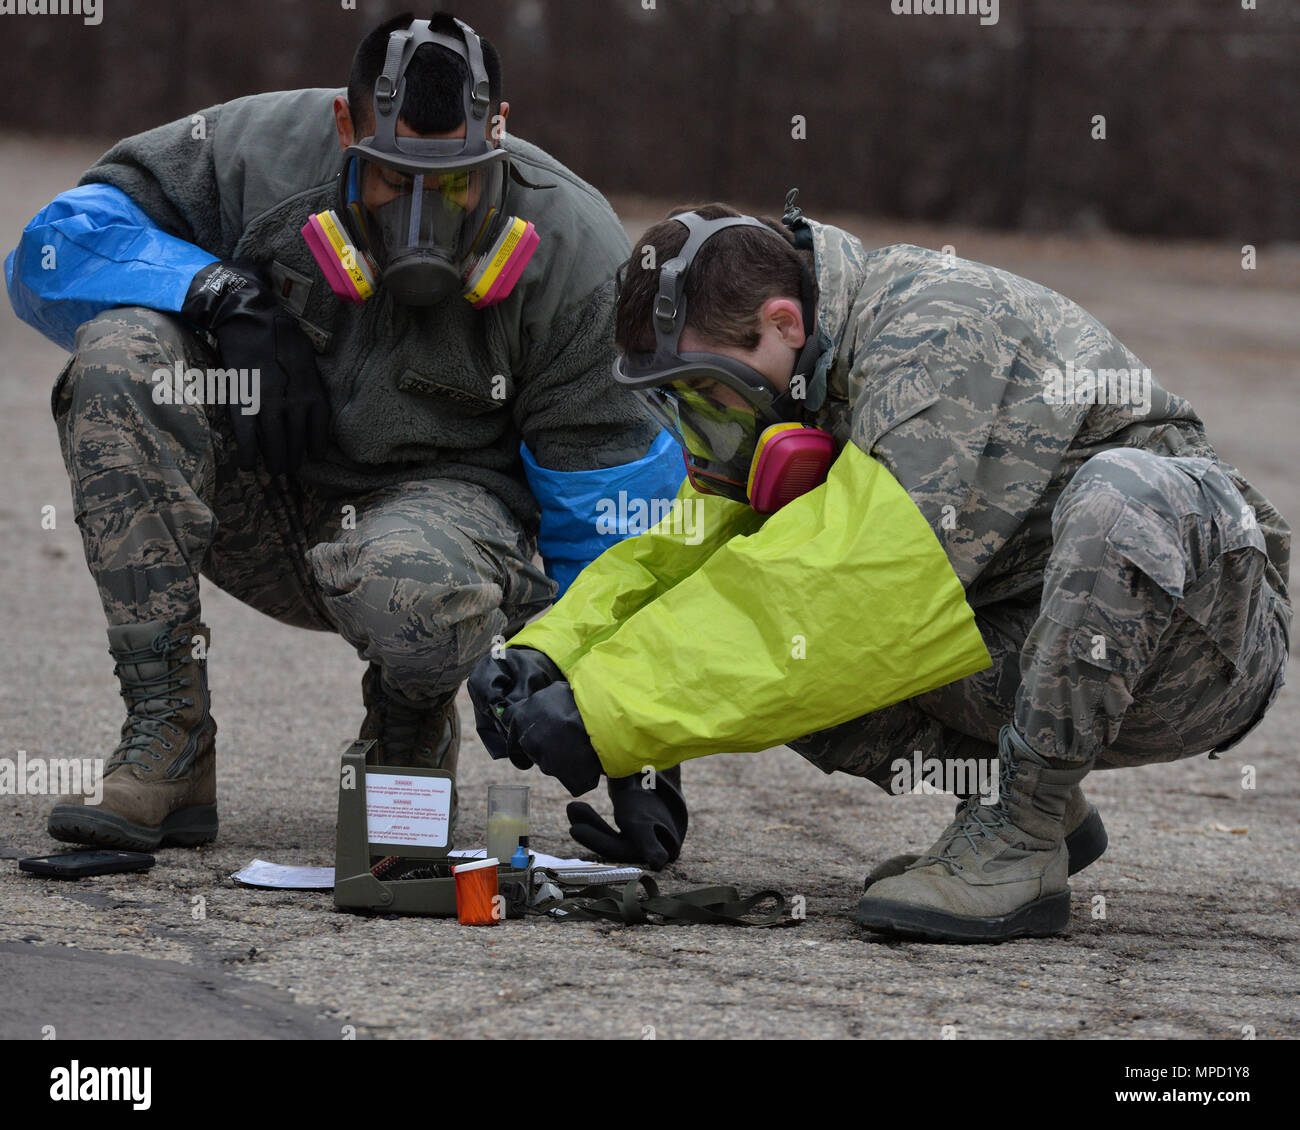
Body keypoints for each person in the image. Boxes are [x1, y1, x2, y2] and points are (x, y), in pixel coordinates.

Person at [468, 197, 1291, 942]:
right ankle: (1034, 804)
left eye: (706, 390)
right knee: (794, 671)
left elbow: (858, 587)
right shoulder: (791, 375)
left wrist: (606, 712)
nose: (701, 422)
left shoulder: (934, 328)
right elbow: (703, 545)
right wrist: (554, 656)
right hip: (1039, 629)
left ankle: (1023, 833)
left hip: (1200, 638)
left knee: (1119, 499)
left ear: (784, 322)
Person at [4, 11, 682, 852]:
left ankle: (408, 730)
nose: (423, 218)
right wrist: (214, 289)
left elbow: (610, 519)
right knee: (119, 359)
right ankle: (166, 738)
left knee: (417, 589)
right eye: (393, 180)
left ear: (500, 137)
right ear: (343, 125)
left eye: (460, 183)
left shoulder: (571, 251)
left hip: (437, 544)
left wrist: (639, 749)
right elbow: (48, 254)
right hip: (260, 502)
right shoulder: (252, 155)